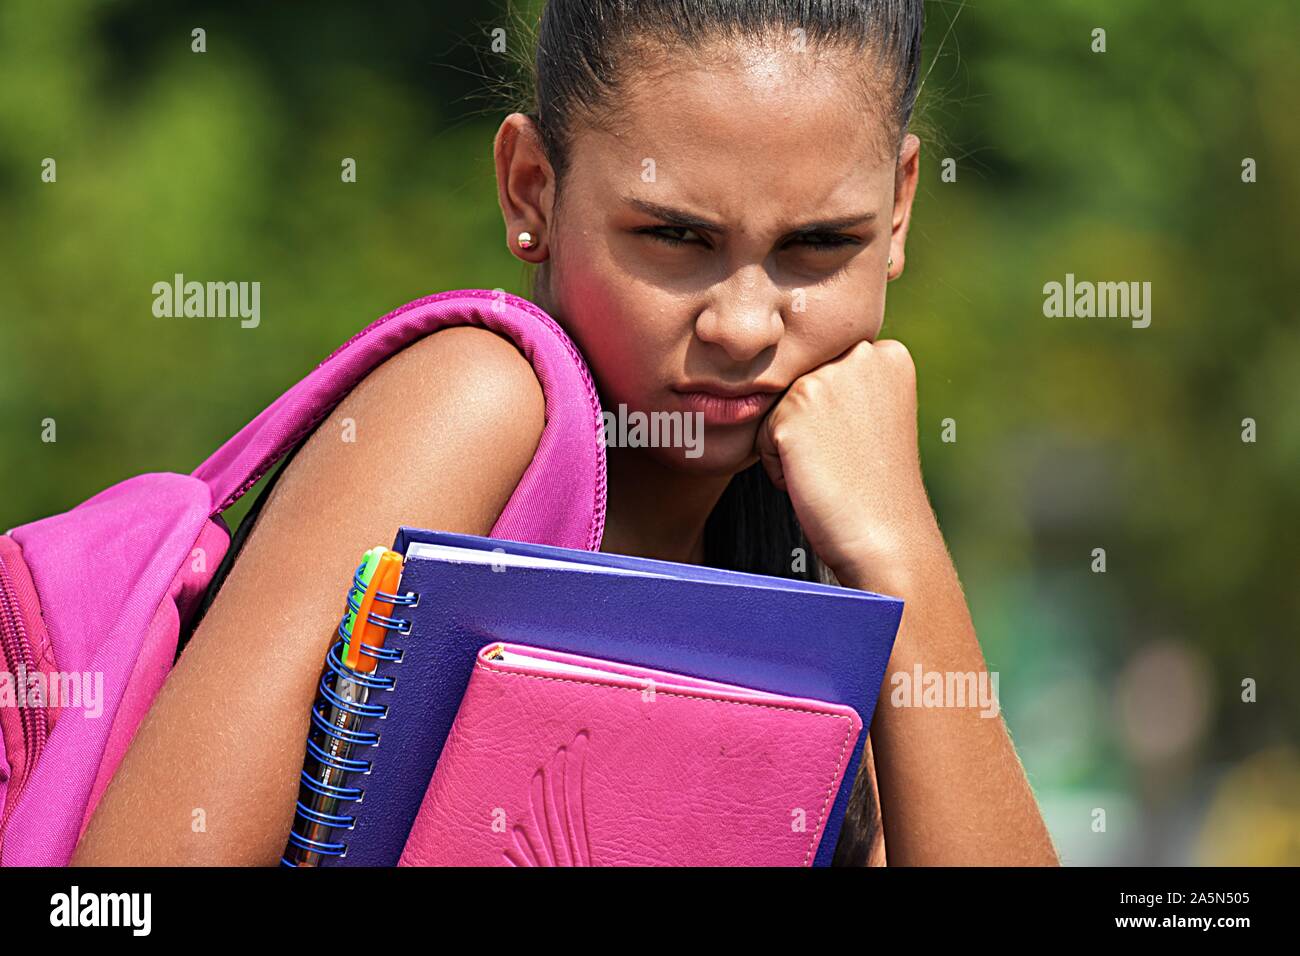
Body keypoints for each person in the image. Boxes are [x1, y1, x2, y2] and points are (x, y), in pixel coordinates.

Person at [72, 0, 1059, 866]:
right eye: (675, 237)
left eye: (817, 245)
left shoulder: (822, 547)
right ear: (530, 188)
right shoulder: (477, 404)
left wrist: (906, 560)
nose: (744, 325)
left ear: (898, 208)